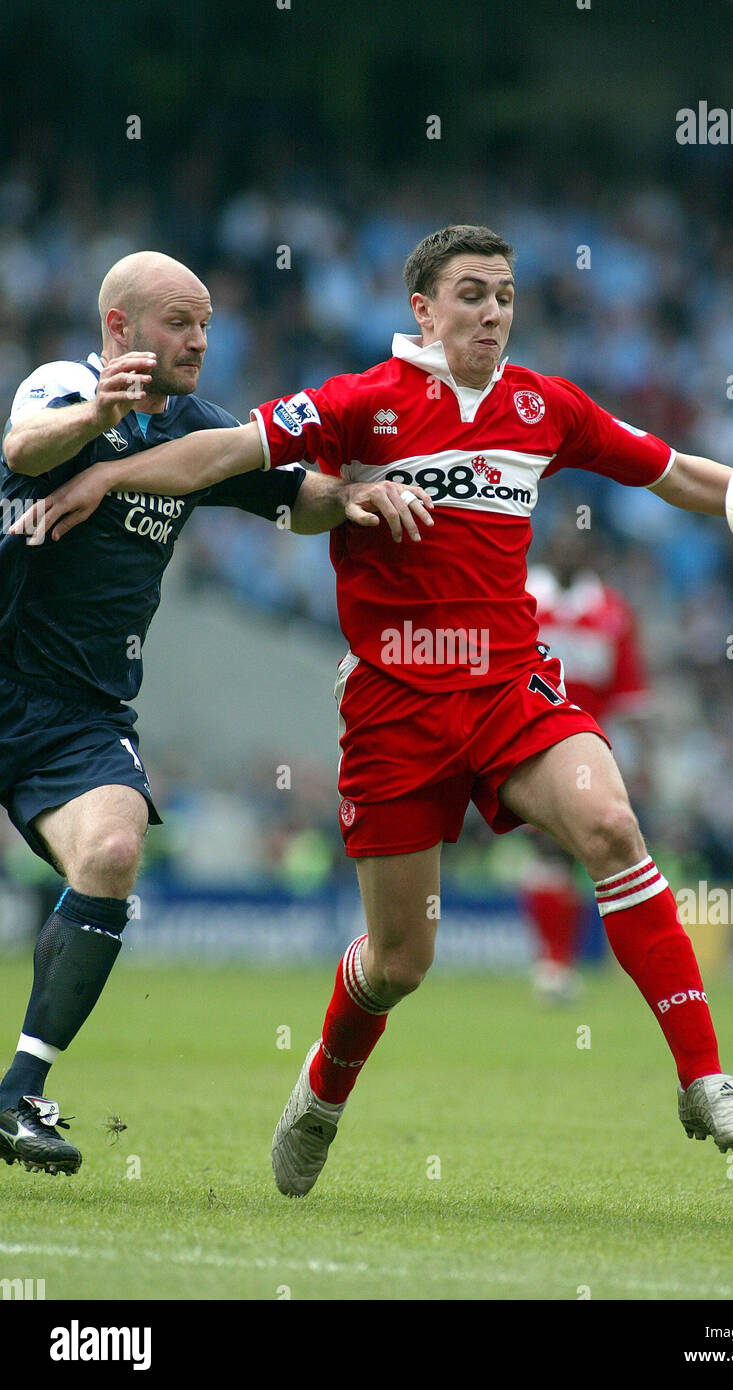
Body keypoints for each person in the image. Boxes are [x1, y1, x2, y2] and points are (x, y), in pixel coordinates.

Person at [21, 224, 733, 1197]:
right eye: (470, 293)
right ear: (421, 309)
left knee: (610, 823)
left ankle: (703, 1074)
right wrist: (109, 469)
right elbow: (225, 454)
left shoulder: (544, 405)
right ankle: (324, 1090)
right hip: (394, 711)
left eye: (503, 294)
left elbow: (675, 472)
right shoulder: (361, 405)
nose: (491, 311)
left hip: (510, 688)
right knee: (398, 958)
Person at [0, 251, 431, 1176]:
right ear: (119, 329)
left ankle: (18, 1093)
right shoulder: (65, 385)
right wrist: (102, 416)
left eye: (206, 322)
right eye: (179, 322)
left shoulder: (197, 431)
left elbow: (294, 501)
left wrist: (351, 496)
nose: (200, 339)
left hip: (78, 713)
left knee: (113, 852)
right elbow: (23, 452)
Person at [523, 529, 652, 1003]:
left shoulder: (613, 613)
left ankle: (568, 961)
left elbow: (629, 695)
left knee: (590, 855)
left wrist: (642, 762)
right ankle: (554, 962)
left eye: (580, 543)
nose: (570, 548)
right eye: (563, 542)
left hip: (595, 749)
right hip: (528, 745)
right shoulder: (521, 597)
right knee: (550, 854)